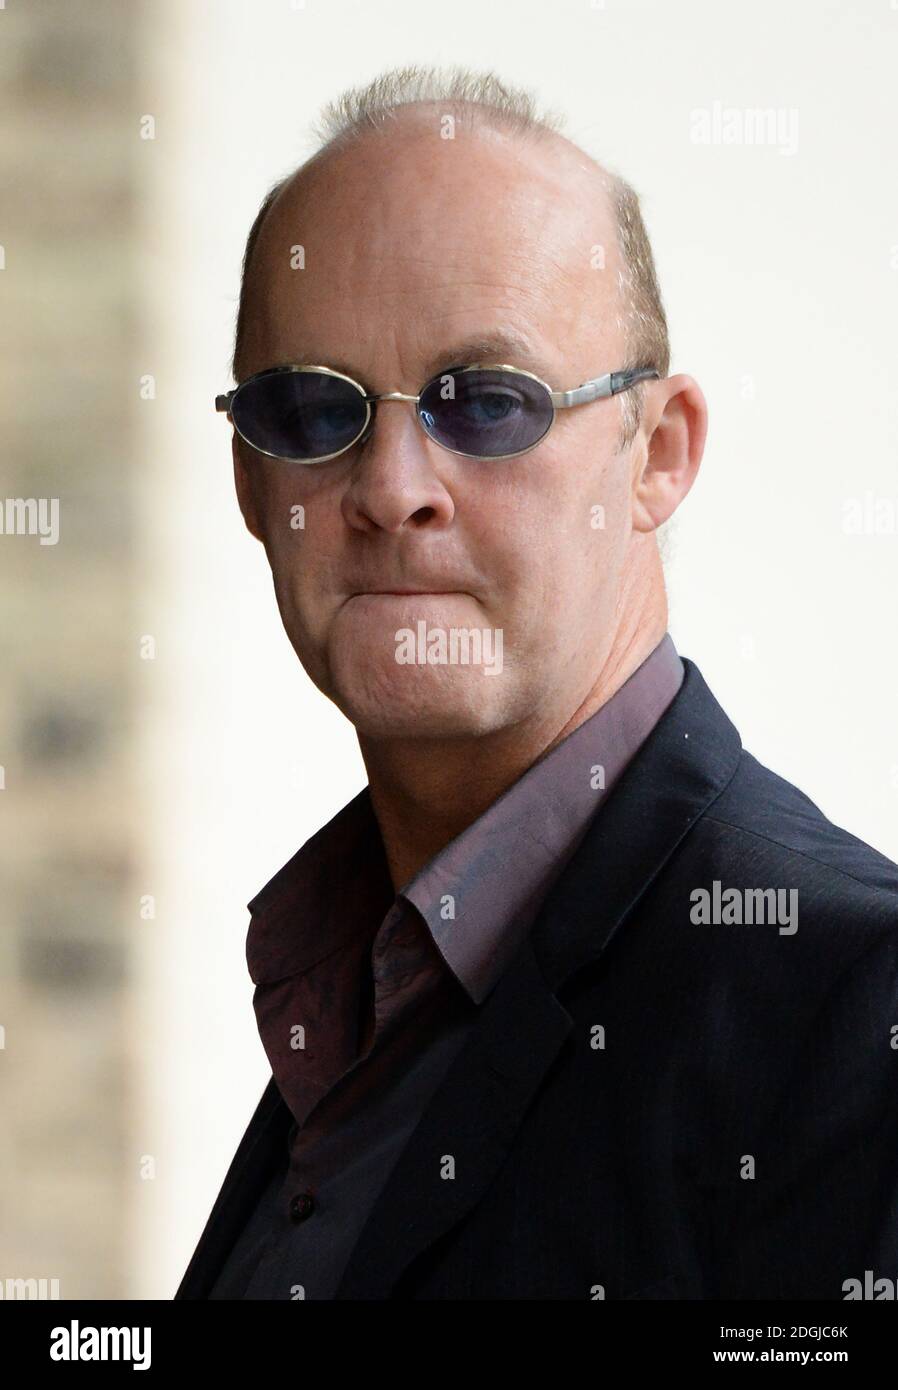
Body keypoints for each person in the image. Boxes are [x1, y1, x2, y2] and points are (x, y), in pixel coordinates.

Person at [176, 66, 898, 1301]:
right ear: (251, 486)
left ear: (656, 456)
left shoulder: (848, 1011)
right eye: (312, 410)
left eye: (486, 403)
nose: (392, 485)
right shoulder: (365, 980)